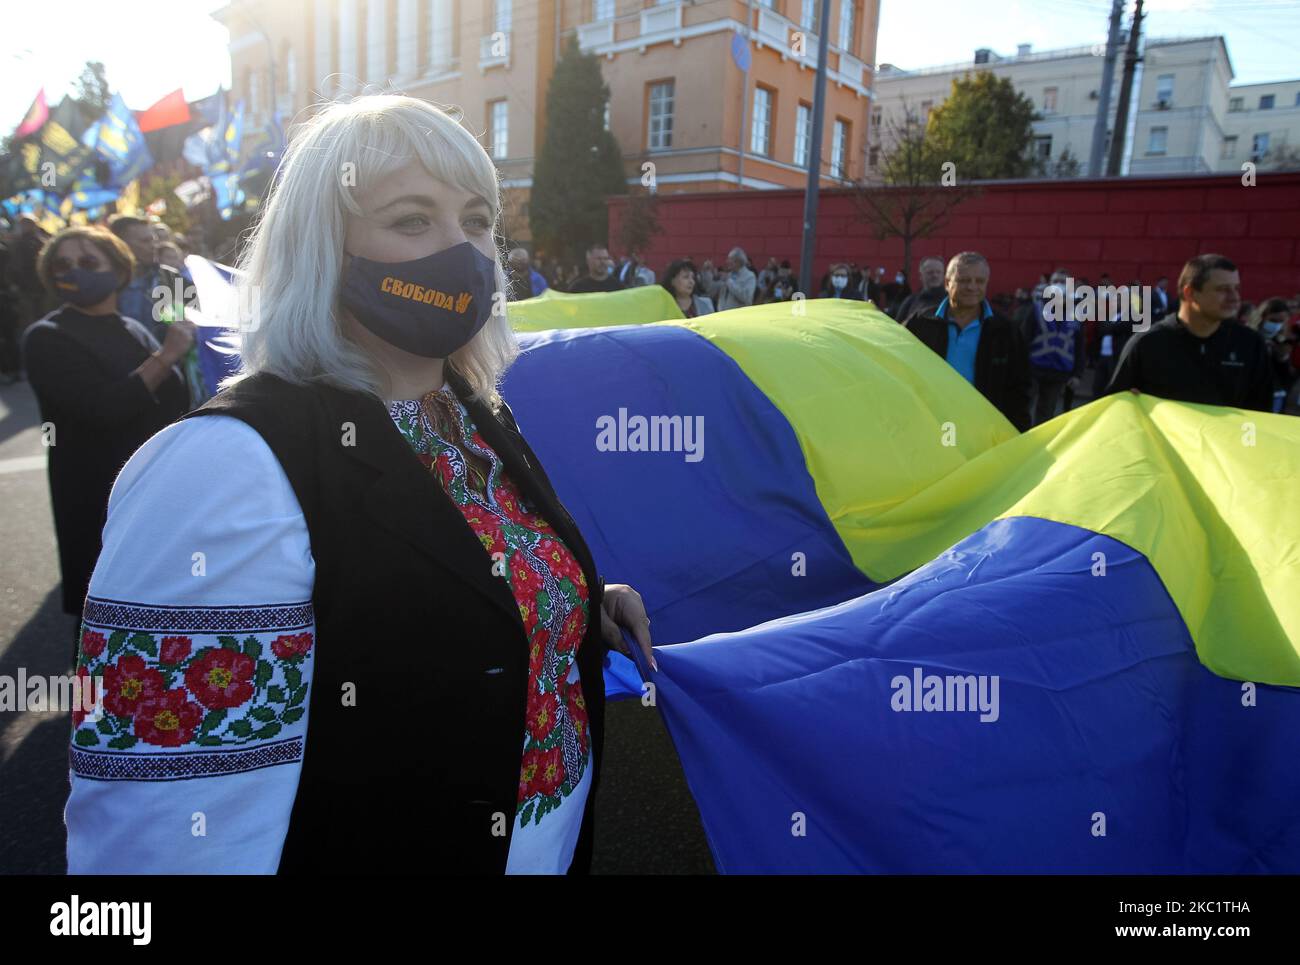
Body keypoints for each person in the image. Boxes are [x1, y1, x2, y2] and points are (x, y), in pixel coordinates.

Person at [64, 94, 655, 876]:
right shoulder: (221, 469)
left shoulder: (469, 412)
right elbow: (160, 838)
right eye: (412, 220)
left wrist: (571, 597)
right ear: (324, 248)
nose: (463, 249)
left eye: (477, 220)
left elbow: (443, 578)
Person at [19, 226, 192, 642]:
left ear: (117, 270)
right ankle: (94, 705)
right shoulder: (47, 337)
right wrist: (166, 356)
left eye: (88, 261)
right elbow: (103, 408)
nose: (74, 271)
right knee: (102, 614)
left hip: (150, 491)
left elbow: (172, 402)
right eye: (63, 264)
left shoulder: (132, 328)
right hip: (95, 494)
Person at [1107, 254, 1274, 412]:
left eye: (1236, 288)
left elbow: (1260, 415)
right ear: (1190, 293)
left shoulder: (1250, 344)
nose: (1234, 297)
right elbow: (1116, 410)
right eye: (1222, 289)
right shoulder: (1147, 343)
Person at [905, 251, 1032, 431]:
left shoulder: (1006, 330)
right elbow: (893, 357)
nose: (972, 287)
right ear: (947, 283)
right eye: (964, 280)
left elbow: (1019, 389)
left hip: (982, 430)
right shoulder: (921, 323)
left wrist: (1019, 436)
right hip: (929, 426)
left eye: (979, 281)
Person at [1025, 270, 1086, 425]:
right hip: (1033, 370)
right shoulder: (1036, 309)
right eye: (1056, 281)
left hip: (1059, 373)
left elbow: (1079, 347)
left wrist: (1077, 375)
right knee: (1023, 408)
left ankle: (1039, 445)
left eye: (1063, 282)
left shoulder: (1075, 315)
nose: (1059, 285)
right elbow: (1023, 339)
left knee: (1046, 413)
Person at [894, 256, 946, 324]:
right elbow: (897, 327)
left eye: (938, 272)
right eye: (930, 272)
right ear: (921, 276)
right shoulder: (911, 301)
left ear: (944, 275)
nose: (935, 275)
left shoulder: (952, 301)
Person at [715, 246, 757, 311]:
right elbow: (712, 291)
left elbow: (747, 298)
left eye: (729, 259)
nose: (727, 261)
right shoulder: (729, 275)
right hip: (722, 316)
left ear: (738, 261)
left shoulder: (750, 276)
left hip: (738, 317)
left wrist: (729, 281)